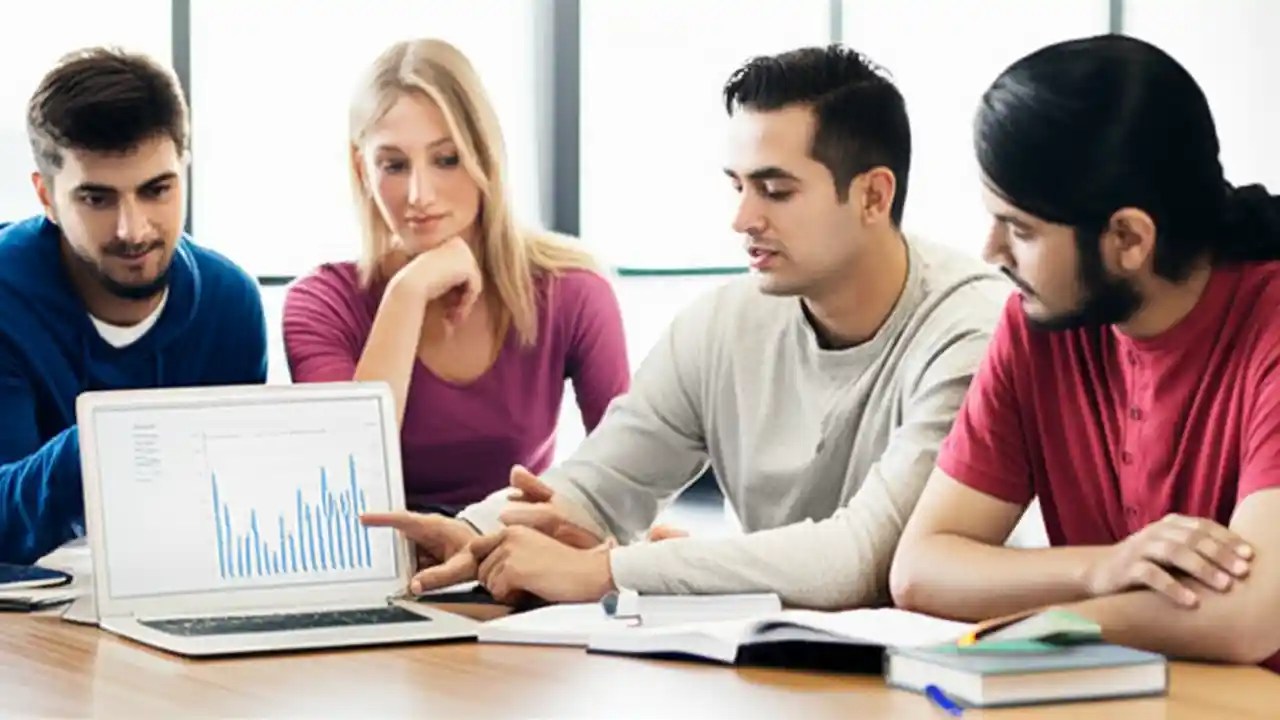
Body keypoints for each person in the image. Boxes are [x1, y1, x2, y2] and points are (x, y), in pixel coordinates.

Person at [363, 44, 1007, 607]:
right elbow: (600, 484)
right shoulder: (722, 324)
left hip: (946, 676)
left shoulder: (970, 330)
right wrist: (474, 534)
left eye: (776, 191)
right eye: (738, 187)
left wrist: (606, 572)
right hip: (780, 666)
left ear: (873, 196)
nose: (742, 219)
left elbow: (860, 560)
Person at [889, 35, 1280, 672]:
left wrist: (1037, 628)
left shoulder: (1270, 324)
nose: (991, 251)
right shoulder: (1038, 324)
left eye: (1020, 229)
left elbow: (1248, 618)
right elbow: (922, 568)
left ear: (1128, 238)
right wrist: (1099, 568)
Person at [283, 39, 629, 515]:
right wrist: (407, 294)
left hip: (511, 552)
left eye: (446, 159)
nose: (419, 194)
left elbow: (627, 477)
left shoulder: (571, 291)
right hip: (383, 558)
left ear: (485, 155)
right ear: (361, 168)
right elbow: (345, 480)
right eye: (394, 165)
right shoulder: (322, 304)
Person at [0, 47, 269, 564]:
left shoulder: (230, 303)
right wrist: (112, 437)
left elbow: (231, 506)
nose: (133, 230)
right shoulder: (7, 298)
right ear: (47, 197)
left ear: (183, 172)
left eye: (156, 190)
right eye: (96, 199)